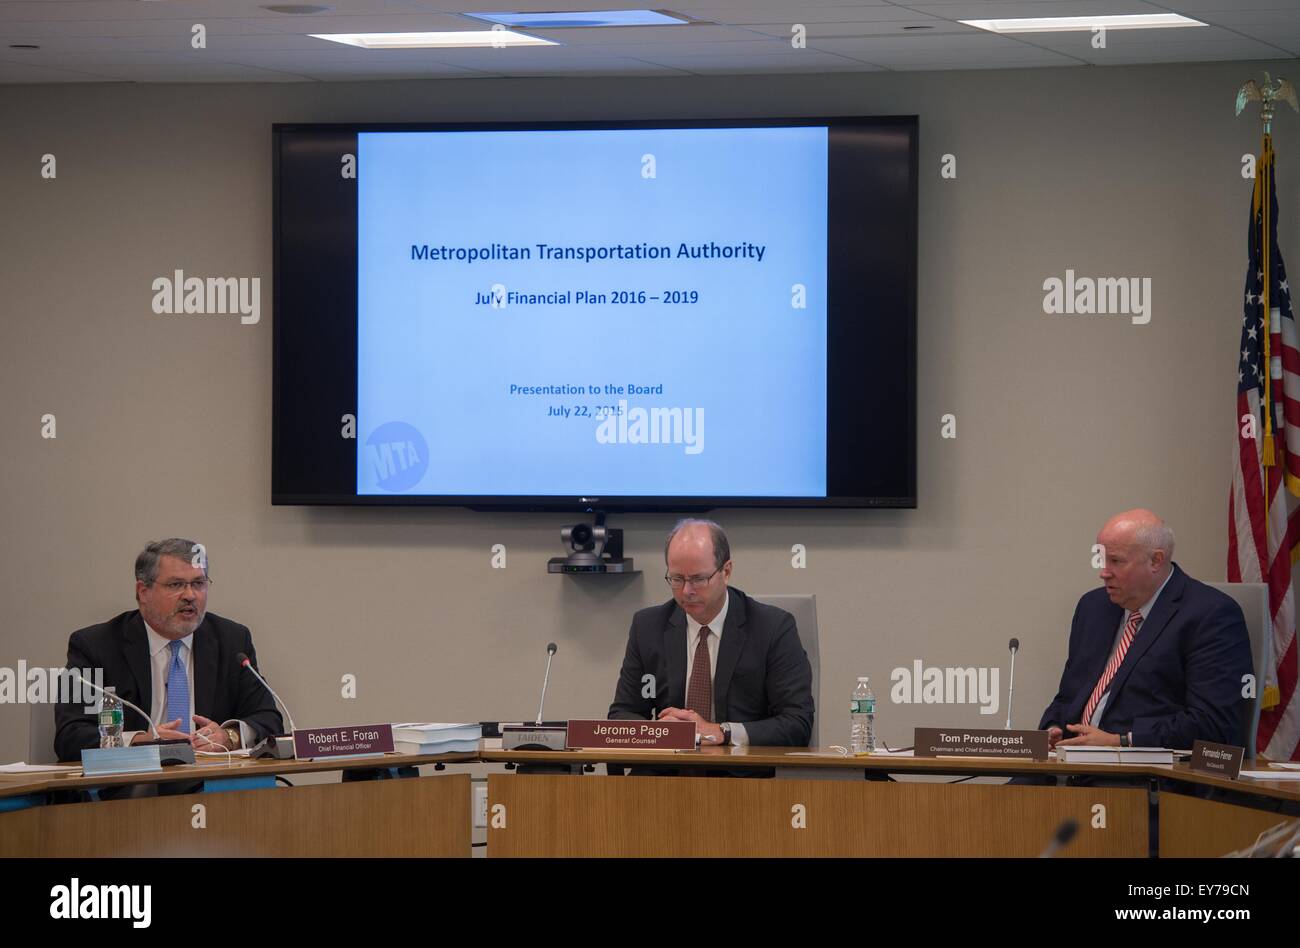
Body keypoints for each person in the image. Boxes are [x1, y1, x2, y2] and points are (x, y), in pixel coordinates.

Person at [1038, 510, 1253, 750]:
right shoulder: (1093, 607)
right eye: (1101, 559)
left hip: (1143, 773)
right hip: (1069, 764)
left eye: (1116, 561)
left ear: (1156, 561)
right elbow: (1069, 695)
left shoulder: (1210, 615)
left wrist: (1121, 741)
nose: (1103, 572)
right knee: (1000, 786)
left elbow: (1214, 723)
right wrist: (1052, 727)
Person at [54, 538, 283, 762]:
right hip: (131, 788)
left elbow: (268, 720)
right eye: (176, 585)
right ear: (143, 591)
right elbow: (71, 737)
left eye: (198, 583)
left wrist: (229, 736)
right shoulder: (96, 646)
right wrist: (140, 741)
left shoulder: (232, 640)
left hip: (212, 783)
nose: (190, 595)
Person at [608, 519, 814, 747]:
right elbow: (623, 714)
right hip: (665, 775)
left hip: (739, 776)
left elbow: (797, 723)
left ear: (726, 571)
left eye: (698, 579)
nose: (687, 591)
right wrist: (660, 732)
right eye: (677, 579)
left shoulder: (772, 628)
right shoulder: (647, 627)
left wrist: (721, 732)